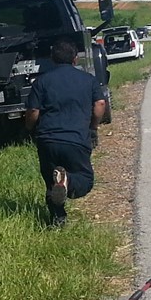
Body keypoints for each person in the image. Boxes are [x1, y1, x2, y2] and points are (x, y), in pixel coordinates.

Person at [23, 38, 108, 228]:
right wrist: (93, 127)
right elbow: (100, 104)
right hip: (76, 139)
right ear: (75, 59)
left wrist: (29, 129)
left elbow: (33, 112)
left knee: (51, 181)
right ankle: (67, 182)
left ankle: (58, 220)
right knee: (84, 180)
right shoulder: (88, 80)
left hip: (48, 140)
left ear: (52, 58)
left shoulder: (42, 81)